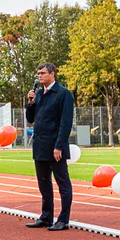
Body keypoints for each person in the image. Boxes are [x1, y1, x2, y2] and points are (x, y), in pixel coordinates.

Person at [25, 63, 75, 231]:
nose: (40, 76)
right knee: (43, 184)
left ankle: (63, 220)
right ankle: (46, 217)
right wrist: (30, 103)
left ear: (53, 74)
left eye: (43, 73)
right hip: (40, 146)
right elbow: (31, 119)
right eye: (38, 73)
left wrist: (59, 146)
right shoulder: (39, 94)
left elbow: (66, 122)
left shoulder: (63, 94)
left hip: (55, 147)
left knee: (63, 184)